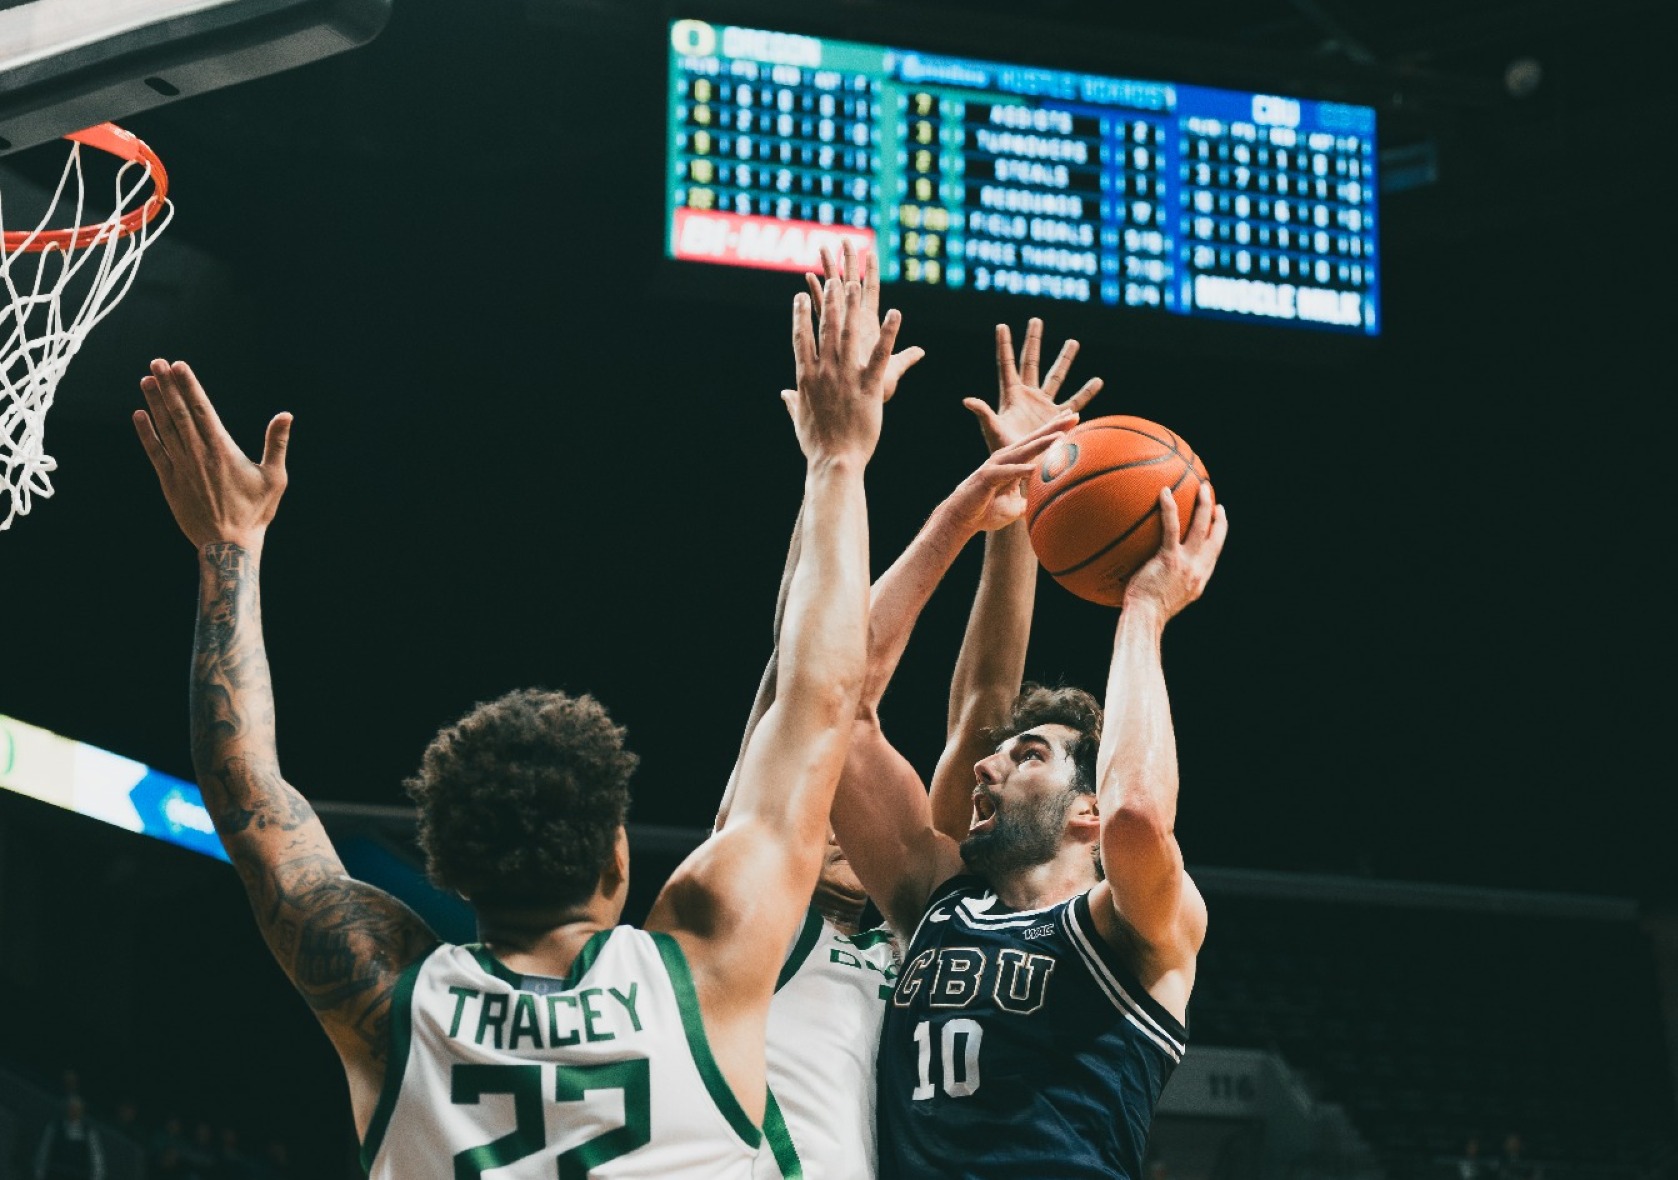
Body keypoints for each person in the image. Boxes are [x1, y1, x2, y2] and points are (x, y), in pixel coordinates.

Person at [130, 261, 899, 1176]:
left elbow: (246, 791)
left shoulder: (392, 996)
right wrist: (837, 458)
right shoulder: (705, 963)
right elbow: (817, 699)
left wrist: (229, 550)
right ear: (619, 854)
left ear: (448, 868)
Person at [721, 248, 1100, 1180]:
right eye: (830, 799)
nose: (849, 810)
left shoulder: (930, 930)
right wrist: (953, 512)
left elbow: (983, 715)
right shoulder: (746, 885)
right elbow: (821, 689)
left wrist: (1015, 511)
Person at [827, 326, 1229, 1177]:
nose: (986, 764)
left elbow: (1137, 813)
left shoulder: (1135, 929)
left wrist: (1144, 612)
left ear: (1082, 809)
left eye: (1029, 756)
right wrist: (973, 511)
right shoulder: (927, 898)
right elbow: (836, 704)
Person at [32, 1095, 105, 1180]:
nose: (74, 1112)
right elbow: (44, 1150)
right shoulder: (54, 1128)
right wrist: (39, 1173)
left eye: (77, 1109)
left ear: (82, 1111)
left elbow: (96, 1158)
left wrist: (97, 1177)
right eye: (71, 1109)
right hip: (54, 1175)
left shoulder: (89, 1133)